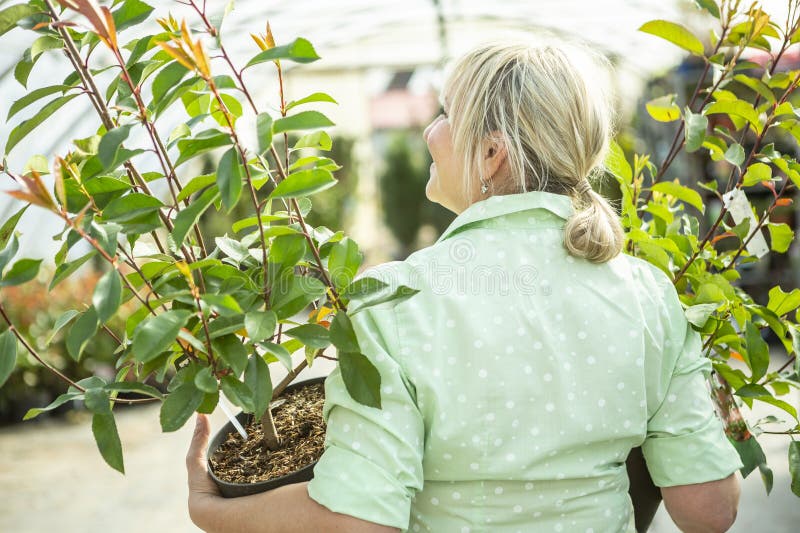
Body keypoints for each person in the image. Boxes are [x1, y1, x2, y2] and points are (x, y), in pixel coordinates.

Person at [186, 39, 743, 532]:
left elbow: (358, 522)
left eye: (446, 113)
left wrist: (211, 511)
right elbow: (708, 509)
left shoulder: (392, 300)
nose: (430, 131)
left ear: (491, 153)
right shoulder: (647, 293)